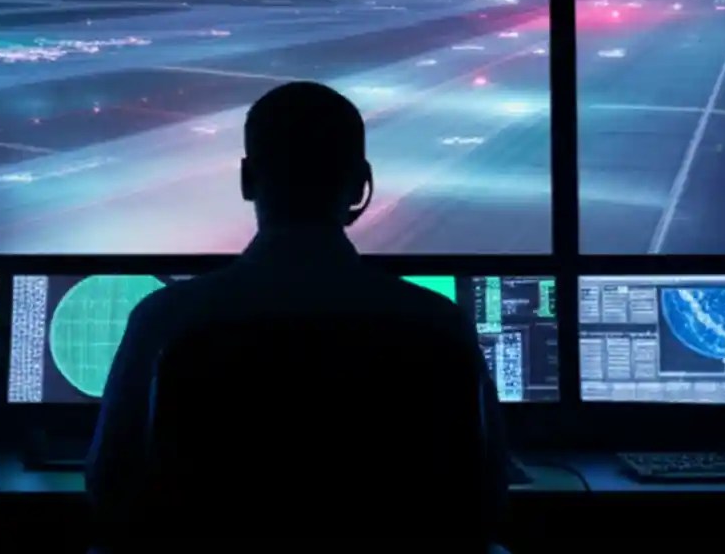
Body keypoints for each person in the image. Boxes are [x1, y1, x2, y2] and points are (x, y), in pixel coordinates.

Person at [85, 81, 508, 529]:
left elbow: (109, 485)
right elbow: (489, 492)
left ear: (248, 181)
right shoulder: (440, 324)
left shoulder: (164, 320)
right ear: (361, 185)